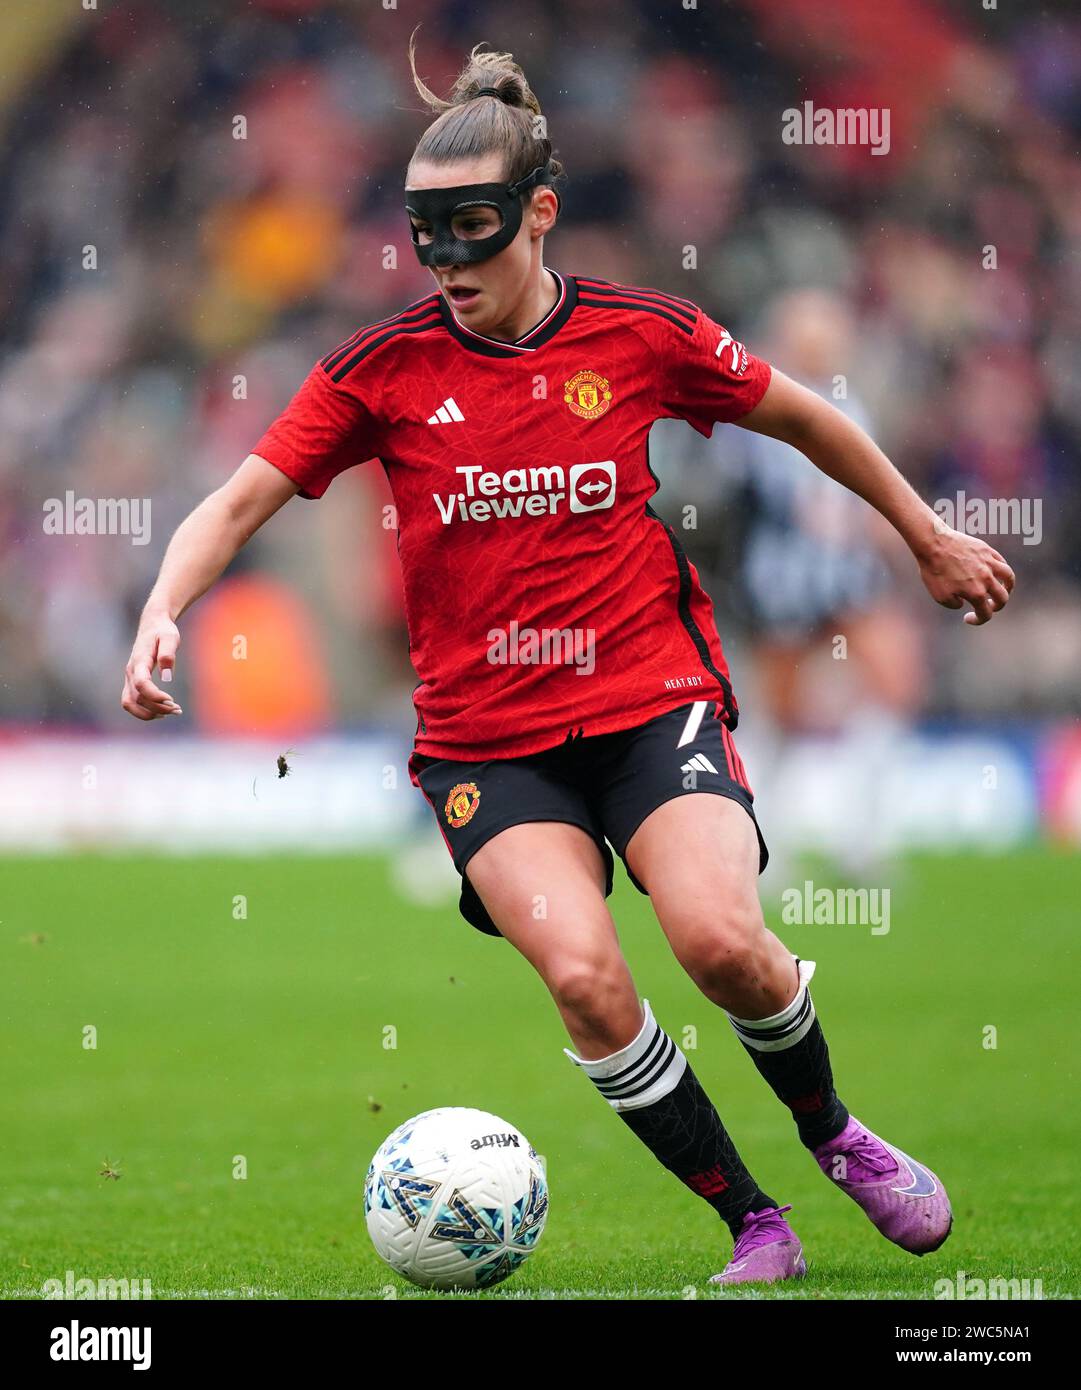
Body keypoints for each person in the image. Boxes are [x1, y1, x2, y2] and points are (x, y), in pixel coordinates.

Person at [122, 40, 1015, 1286]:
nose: (448, 264)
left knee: (721, 943)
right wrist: (163, 605)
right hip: (487, 747)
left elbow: (806, 415)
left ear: (538, 212)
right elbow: (233, 501)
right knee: (589, 980)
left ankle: (834, 1134)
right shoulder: (381, 370)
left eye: (473, 231)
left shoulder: (642, 334)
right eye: (426, 236)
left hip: (651, 703)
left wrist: (925, 538)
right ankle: (754, 1221)